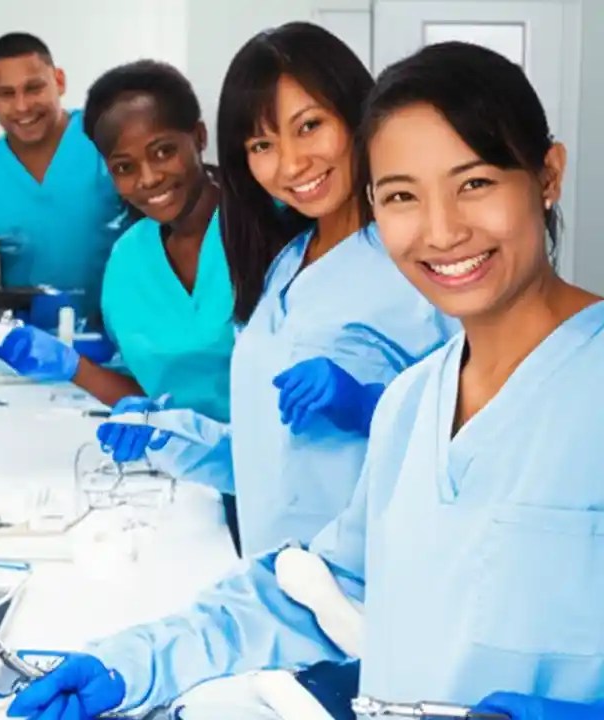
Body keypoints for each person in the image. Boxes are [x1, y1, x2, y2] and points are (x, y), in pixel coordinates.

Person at [6, 41, 604, 720]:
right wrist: (134, 662)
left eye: (474, 184)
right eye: (403, 195)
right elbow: (324, 586)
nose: (442, 231)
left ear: (547, 175)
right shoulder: (415, 404)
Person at [95, 23, 456, 558]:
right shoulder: (286, 264)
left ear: (358, 115)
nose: (291, 163)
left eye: (309, 126)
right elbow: (266, 461)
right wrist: (167, 437)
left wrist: (369, 407)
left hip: (376, 588)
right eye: (262, 143)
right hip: (279, 581)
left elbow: (486, 446)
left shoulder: (426, 257)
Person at [0, 59, 241, 550]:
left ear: (199, 136)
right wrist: (70, 366)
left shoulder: (261, 227)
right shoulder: (128, 261)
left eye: (163, 151)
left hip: (286, 483)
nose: (148, 178)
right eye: (124, 167)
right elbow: (144, 393)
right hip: (191, 489)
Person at [0, 32, 125, 325]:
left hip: (121, 336)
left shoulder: (108, 142)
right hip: (27, 349)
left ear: (59, 81)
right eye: (6, 94)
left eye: (34, 88)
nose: (22, 106)